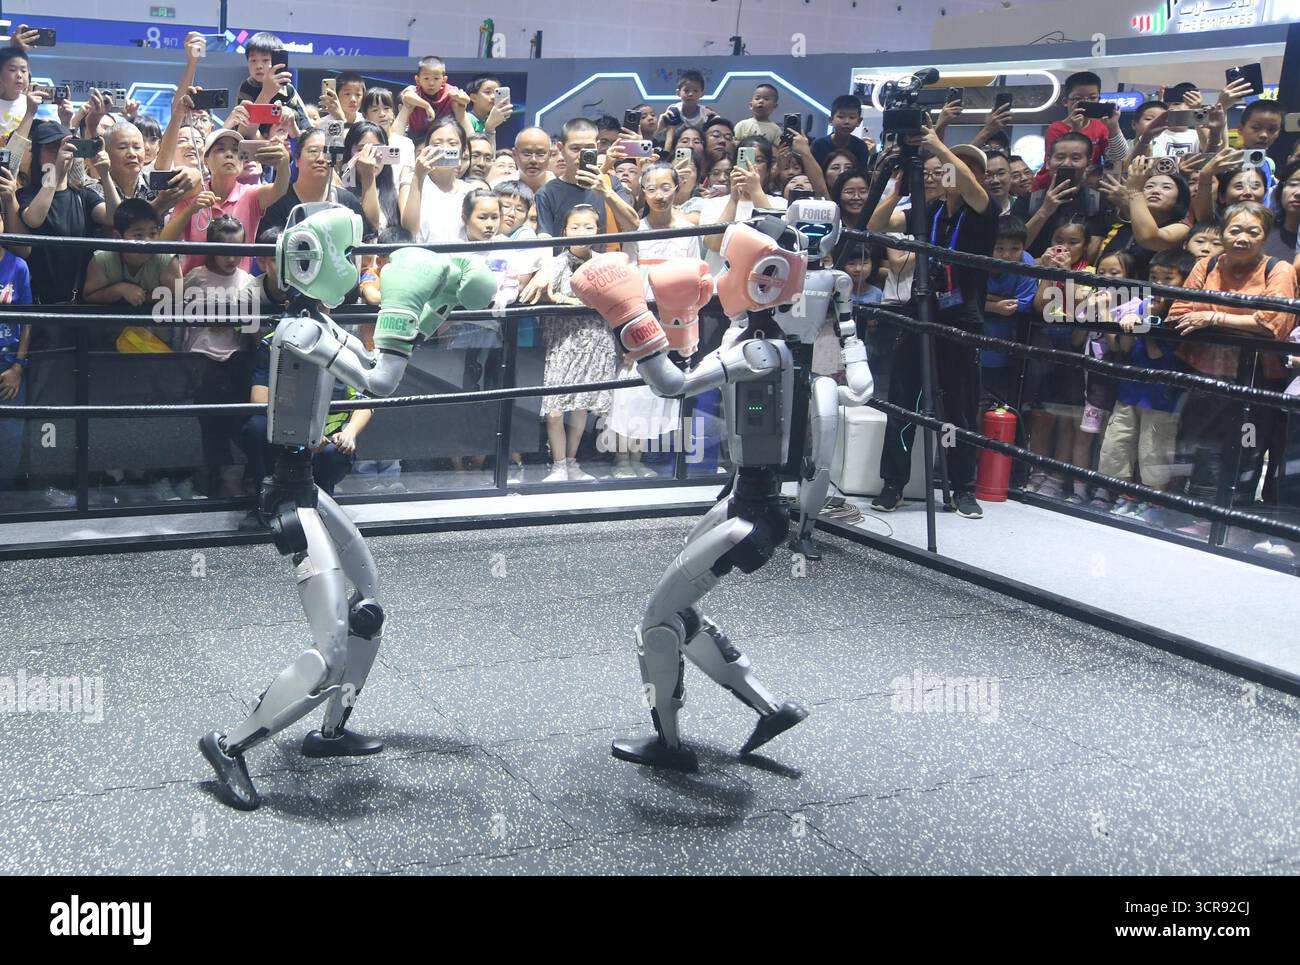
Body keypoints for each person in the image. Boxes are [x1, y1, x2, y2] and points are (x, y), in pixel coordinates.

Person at [871, 136, 996, 519]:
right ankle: (893, 484)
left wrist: (939, 145)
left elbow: (973, 191)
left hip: (960, 319)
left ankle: (961, 489)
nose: (948, 171)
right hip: (919, 312)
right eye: (946, 166)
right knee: (903, 401)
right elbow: (877, 228)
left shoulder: (983, 211)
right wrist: (897, 187)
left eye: (962, 167)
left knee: (958, 408)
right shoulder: (928, 212)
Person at [1167, 202, 1298, 525]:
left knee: (1246, 446)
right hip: (1204, 377)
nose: (1242, 238)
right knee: (1199, 445)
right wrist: (1242, 319)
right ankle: (1196, 516)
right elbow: (1180, 312)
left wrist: (1212, 316)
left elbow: (1274, 323)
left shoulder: (1278, 269)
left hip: (1256, 381)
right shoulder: (1207, 266)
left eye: (1253, 232)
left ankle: (1230, 520)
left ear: (1264, 237)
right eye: (1234, 230)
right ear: (1222, 233)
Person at [1096, 248, 1195, 522]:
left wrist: (1146, 325)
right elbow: (1123, 347)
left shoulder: (1180, 313)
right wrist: (1120, 321)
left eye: (1168, 278)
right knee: (1119, 443)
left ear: (1186, 281)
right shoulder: (1139, 305)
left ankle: (1154, 504)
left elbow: (1156, 353)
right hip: (1129, 390)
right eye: (1154, 277)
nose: (1159, 284)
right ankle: (1123, 495)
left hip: (1160, 397)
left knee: (1154, 449)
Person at [540, 205, 617, 482]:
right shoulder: (556, 262)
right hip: (562, 342)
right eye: (575, 226)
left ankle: (572, 462)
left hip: (596, 340)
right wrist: (572, 301)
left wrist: (565, 299)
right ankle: (557, 464)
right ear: (564, 231)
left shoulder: (605, 263)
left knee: (582, 406)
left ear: (598, 231)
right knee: (555, 408)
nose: (581, 232)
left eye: (588, 227)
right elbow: (547, 295)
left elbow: (608, 300)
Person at [161, 126, 290, 274]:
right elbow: (165, 240)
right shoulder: (193, 195)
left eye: (236, 151)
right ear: (206, 160)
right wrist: (191, 209)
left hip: (238, 291)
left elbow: (280, 189)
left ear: (243, 161)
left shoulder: (251, 195)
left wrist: (284, 163)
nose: (229, 154)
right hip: (196, 290)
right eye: (220, 149)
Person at [533, 117, 638, 245]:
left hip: (602, 263)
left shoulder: (611, 183)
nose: (581, 155)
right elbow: (544, 238)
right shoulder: (546, 193)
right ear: (561, 148)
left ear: (597, 146)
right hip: (562, 263)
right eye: (575, 149)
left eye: (589, 148)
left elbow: (633, 225)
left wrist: (606, 192)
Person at [262, 126, 369, 234]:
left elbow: (365, 240)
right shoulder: (278, 200)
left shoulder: (346, 201)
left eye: (327, 152)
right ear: (297, 159)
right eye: (313, 151)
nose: (321, 159)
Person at [981, 215, 1037, 406]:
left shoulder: (1027, 263)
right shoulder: (975, 258)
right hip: (971, 349)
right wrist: (995, 306)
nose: (1007, 255)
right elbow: (958, 298)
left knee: (1000, 411)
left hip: (1006, 354)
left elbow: (1021, 305)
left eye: (1015, 249)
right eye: (1000, 248)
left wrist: (983, 298)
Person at [400, 117, 475, 243]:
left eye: (452, 144)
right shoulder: (411, 182)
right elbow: (410, 229)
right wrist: (418, 176)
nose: (444, 149)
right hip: (424, 259)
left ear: (463, 151)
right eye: (437, 144)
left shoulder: (470, 192)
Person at [0, 230, 32, 492]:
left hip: (8, 364)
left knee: (10, 433)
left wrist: (18, 366)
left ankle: (5, 494)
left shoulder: (18, 266)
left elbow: (28, 321)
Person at [234, 31, 310, 136]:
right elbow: (243, 133)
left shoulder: (287, 88)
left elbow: (307, 127)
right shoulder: (246, 88)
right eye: (253, 60)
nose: (259, 66)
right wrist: (266, 93)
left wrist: (291, 115)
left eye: (265, 60)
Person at [394, 54, 471, 143]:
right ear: (418, 80)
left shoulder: (450, 91)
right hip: (416, 137)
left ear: (444, 80)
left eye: (436, 78)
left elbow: (466, 100)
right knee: (407, 106)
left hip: (443, 138)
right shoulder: (414, 91)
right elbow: (407, 96)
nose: (431, 83)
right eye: (426, 78)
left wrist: (458, 97)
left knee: (459, 107)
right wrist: (427, 106)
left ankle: (472, 145)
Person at [811, 94, 873, 170]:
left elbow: (861, 176)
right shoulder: (818, 145)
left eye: (852, 117)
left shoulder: (861, 147)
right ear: (831, 120)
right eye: (841, 117)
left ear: (859, 122)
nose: (847, 121)